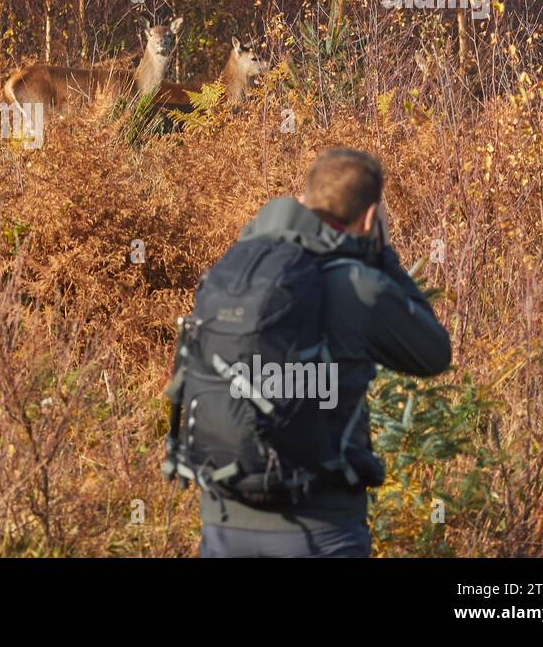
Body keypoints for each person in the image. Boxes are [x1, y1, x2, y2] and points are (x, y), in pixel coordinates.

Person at [188, 147, 451, 557]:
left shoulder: (235, 271)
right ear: (369, 217)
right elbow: (434, 352)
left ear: (305, 200)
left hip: (224, 523)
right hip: (320, 529)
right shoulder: (358, 284)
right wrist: (384, 256)